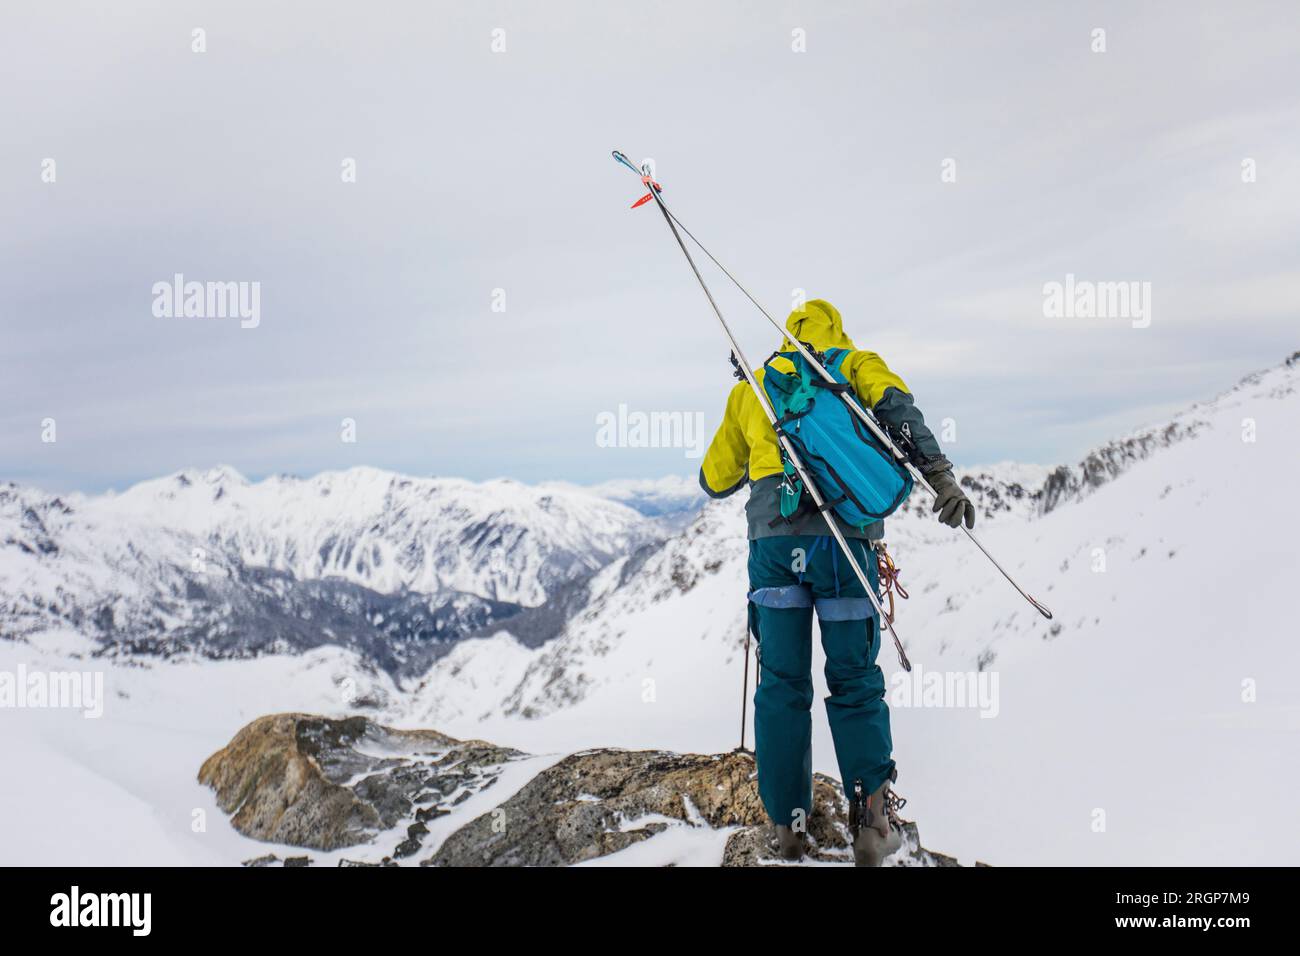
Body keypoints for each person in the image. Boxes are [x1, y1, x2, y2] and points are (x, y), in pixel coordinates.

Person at [699, 299, 974, 866]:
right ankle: (872, 829)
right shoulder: (853, 366)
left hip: (774, 551)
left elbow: (714, 478)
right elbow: (899, 412)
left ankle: (788, 830)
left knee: (781, 685)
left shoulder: (754, 384)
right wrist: (940, 476)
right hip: (845, 545)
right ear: (835, 331)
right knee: (854, 680)